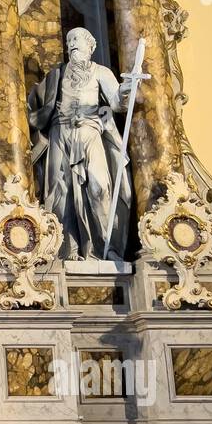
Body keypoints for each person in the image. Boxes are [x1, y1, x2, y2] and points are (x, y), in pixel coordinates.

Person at [27, 26, 132, 262]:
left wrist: (124, 91)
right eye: (69, 40)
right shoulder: (56, 74)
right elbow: (36, 104)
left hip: (90, 132)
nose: (72, 43)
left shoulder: (101, 72)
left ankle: (107, 247)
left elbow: (116, 103)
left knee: (99, 186)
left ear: (91, 46)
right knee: (59, 192)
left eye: (78, 39)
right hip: (59, 132)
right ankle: (67, 250)